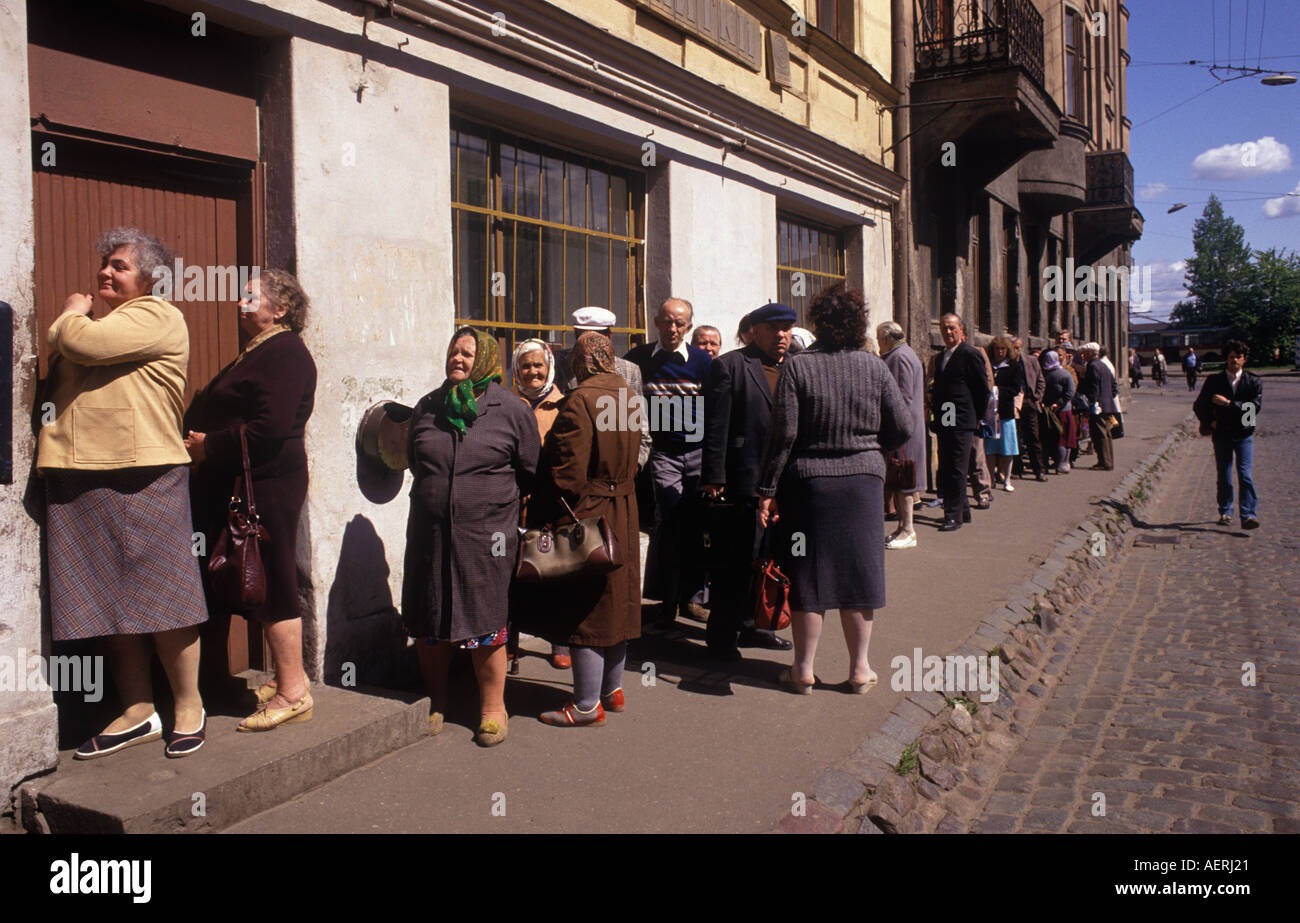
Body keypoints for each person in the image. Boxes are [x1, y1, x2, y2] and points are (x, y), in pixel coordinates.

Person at [38, 227, 208, 759]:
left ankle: (188, 705)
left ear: (151, 279)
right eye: (104, 265)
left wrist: (69, 312)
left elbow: (84, 344)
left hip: (145, 472)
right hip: (78, 472)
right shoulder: (99, 323)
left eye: (119, 266)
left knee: (166, 595)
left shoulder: (157, 316)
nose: (105, 273)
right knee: (109, 598)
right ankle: (138, 711)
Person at [756, 285, 910, 694]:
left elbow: (783, 434)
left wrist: (767, 488)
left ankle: (803, 669)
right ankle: (860, 670)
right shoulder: (875, 367)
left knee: (808, 572)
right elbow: (903, 426)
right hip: (863, 485)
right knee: (861, 573)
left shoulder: (798, 367)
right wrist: (872, 442)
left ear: (819, 323)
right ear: (859, 323)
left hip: (809, 488)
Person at [185, 270, 317, 733]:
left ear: (280, 308)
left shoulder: (285, 354)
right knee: (242, 576)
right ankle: (258, 680)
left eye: (249, 296)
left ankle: (293, 691)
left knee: (274, 578)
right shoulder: (261, 351)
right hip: (247, 483)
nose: (238, 302)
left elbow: (269, 429)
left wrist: (208, 446)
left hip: (268, 484)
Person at [402, 327, 540, 746]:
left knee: (486, 620)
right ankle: (437, 698)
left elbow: (531, 468)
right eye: (453, 352)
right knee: (430, 618)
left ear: (484, 362)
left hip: (487, 537)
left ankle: (493, 709)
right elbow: (414, 459)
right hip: (430, 532)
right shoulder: (428, 406)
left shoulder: (510, 409)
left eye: (466, 354)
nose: (457, 360)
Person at [530, 333, 643, 726]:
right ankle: (613, 690)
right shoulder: (627, 395)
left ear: (582, 361)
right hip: (625, 508)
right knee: (619, 600)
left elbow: (567, 473)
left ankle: (584, 706)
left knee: (587, 605)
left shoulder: (580, 400)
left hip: (591, 511)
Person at [700, 302, 799, 658]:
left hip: (785, 485)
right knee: (735, 565)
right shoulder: (730, 366)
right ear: (753, 331)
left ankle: (757, 625)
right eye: (774, 328)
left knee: (771, 562)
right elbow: (715, 426)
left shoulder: (795, 368)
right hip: (744, 483)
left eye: (787, 328)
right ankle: (722, 640)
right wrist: (714, 476)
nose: (782, 335)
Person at [624, 297, 712, 629]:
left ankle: (696, 598)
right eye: (666, 322)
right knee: (670, 522)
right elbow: (629, 409)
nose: (672, 329)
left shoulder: (703, 362)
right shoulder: (639, 360)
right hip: (663, 455)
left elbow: (712, 413)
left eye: (679, 323)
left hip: (699, 453)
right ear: (656, 322)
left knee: (700, 525)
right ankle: (666, 600)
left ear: (689, 326)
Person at [505, 338, 568, 673]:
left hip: (548, 501)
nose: (532, 372)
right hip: (513, 502)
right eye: (526, 366)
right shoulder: (505, 403)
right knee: (513, 574)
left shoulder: (562, 405)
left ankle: (559, 641)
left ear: (549, 368)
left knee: (552, 571)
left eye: (538, 366)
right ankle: (510, 643)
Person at [553, 306, 650, 470]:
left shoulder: (629, 370)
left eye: (595, 338)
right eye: (582, 336)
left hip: (614, 466)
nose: (588, 344)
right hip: (572, 460)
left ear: (609, 337)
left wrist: (635, 464)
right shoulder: (557, 363)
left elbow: (641, 426)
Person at [929, 313, 992, 531]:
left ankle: (952, 515)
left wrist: (978, 418)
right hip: (947, 417)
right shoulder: (941, 357)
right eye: (944, 328)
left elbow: (982, 390)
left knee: (957, 468)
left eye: (952, 328)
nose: (948, 332)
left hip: (963, 418)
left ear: (961, 329)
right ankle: (963, 509)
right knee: (947, 465)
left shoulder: (970, 354)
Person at [1193, 339, 1262, 529]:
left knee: (1245, 474)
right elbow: (1199, 405)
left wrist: (1228, 404)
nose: (1235, 360)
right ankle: (1225, 511)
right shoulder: (1214, 381)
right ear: (1226, 359)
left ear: (1244, 360)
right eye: (1231, 357)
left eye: (1238, 357)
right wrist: (1209, 422)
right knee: (1224, 475)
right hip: (1222, 434)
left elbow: (1253, 410)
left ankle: (1248, 515)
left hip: (1243, 436)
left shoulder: (1253, 382)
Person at [877, 321, 926, 549]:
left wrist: (893, 427)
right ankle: (901, 527)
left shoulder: (899, 357)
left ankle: (909, 530)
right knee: (899, 479)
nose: (878, 344)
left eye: (879, 339)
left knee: (904, 477)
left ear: (887, 339)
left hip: (903, 430)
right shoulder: (904, 353)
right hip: (905, 428)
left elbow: (902, 397)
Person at [983, 335, 1023, 491]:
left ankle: (1007, 479)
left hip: (1005, 412)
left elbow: (1015, 389)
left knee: (1008, 448)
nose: (1000, 352)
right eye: (997, 349)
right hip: (990, 412)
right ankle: (991, 479)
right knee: (990, 449)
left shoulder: (1014, 366)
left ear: (1008, 350)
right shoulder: (988, 365)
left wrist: (998, 390)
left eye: (1003, 349)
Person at [1012, 336, 1047, 482]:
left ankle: (1039, 470)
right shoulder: (1007, 363)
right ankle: (1017, 469)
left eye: (1017, 347)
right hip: (1013, 403)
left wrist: (1037, 397)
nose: (1015, 350)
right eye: (1013, 347)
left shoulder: (1031, 361)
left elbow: (1040, 380)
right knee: (1016, 437)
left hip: (1028, 402)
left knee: (1033, 437)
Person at [1080, 342, 1119, 470]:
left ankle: (1105, 462)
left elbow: (1093, 387)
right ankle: (1106, 461)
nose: (1083, 355)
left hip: (1098, 406)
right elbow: (1114, 387)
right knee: (1106, 434)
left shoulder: (1093, 366)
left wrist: (1092, 403)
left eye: (1085, 353)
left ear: (1091, 353)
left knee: (1099, 434)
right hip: (1107, 405)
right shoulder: (1104, 365)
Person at [1040, 349, 1076, 474]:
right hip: (1062, 411)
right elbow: (1070, 392)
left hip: (1048, 410)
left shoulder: (1044, 374)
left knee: (1049, 438)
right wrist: (1060, 403)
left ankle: (1047, 465)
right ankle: (1062, 464)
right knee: (1063, 438)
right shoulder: (1065, 374)